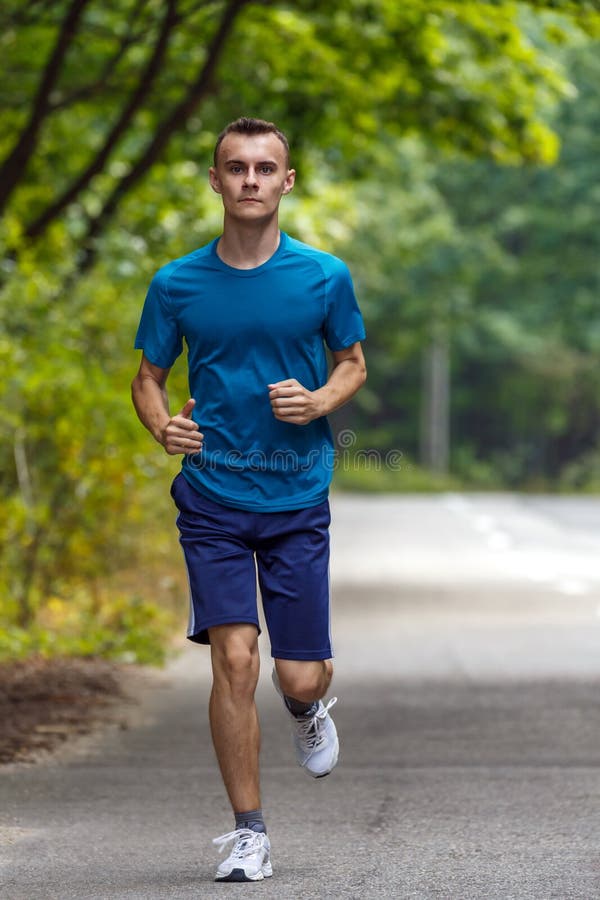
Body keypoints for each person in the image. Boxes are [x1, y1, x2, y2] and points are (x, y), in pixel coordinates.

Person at [131, 116, 366, 883]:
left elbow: (352, 364)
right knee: (234, 660)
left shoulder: (324, 276)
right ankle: (249, 833)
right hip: (213, 496)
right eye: (237, 168)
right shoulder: (177, 284)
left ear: (287, 182)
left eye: (266, 169)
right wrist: (163, 426)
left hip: (297, 492)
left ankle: (307, 708)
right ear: (216, 180)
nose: (252, 181)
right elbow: (148, 378)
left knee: (298, 674)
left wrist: (321, 401)